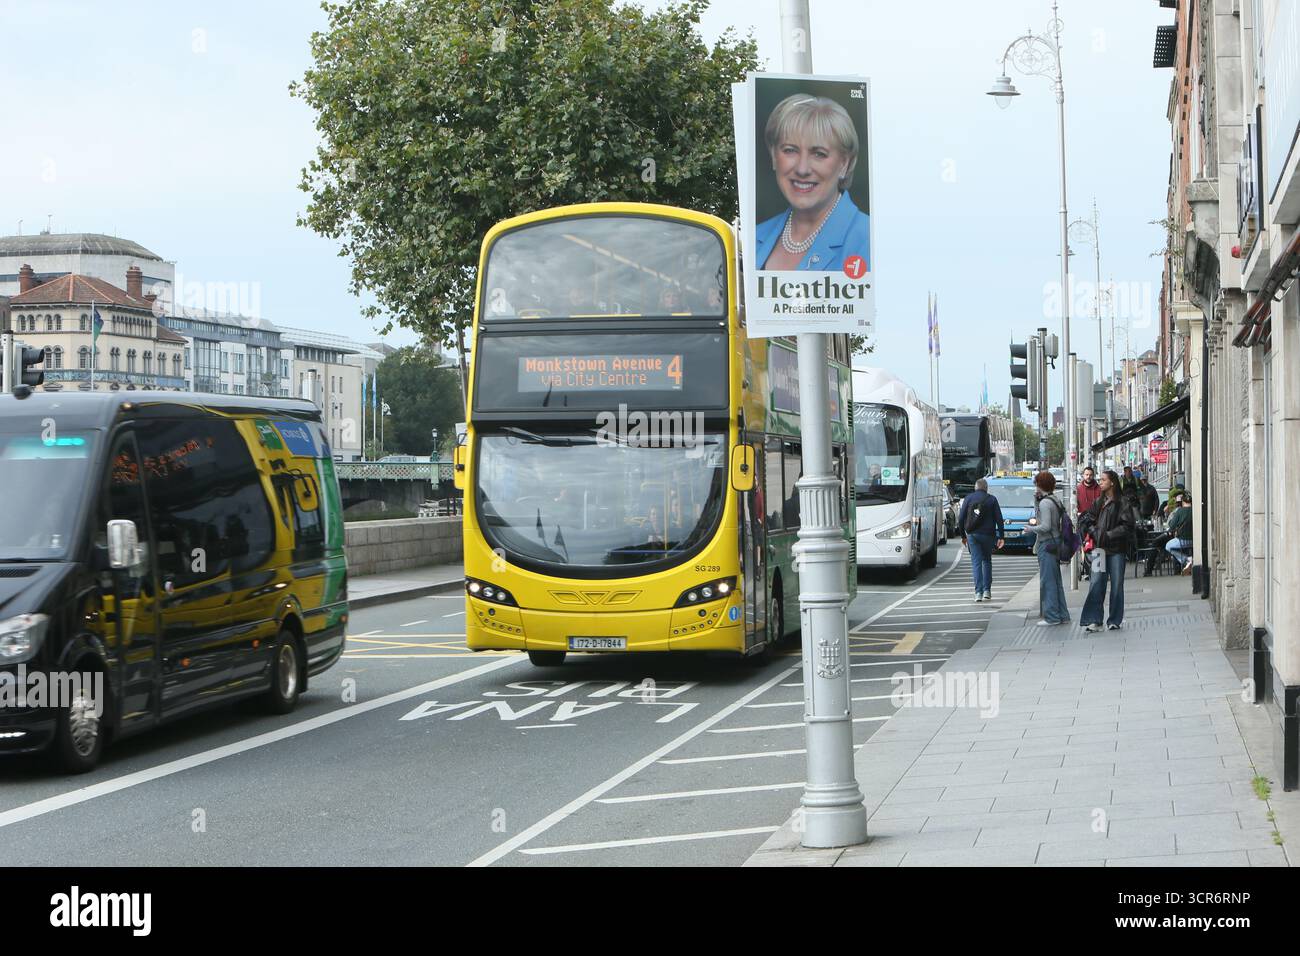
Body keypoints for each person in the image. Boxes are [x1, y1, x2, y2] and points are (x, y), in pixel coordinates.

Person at [754, 94, 871, 272]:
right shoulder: (754, 237)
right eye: (790, 150)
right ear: (774, 156)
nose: (802, 169)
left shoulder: (868, 239)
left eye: (819, 154)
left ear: (844, 163)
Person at [1079, 469, 1136, 631]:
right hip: (1098, 548)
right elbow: (1087, 520)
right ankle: (1094, 619)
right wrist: (1094, 532)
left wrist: (1108, 535)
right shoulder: (1099, 501)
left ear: (1112, 482)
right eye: (1100, 479)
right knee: (1096, 583)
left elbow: (1128, 526)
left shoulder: (1122, 502)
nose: (1100, 482)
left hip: (1116, 549)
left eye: (1103, 480)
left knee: (1117, 585)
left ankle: (1114, 620)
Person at [1026, 471, 1070, 626]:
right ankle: (1062, 614)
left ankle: (1052, 616)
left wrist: (1030, 529)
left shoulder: (1045, 503)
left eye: (1036, 484)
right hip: (1056, 542)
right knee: (1056, 581)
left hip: (1047, 544)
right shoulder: (1054, 499)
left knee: (1048, 581)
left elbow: (1044, 526)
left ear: (1040, 485)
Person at [957, 478, 1005, 603]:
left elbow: (961, 518)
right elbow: (999, 519)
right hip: (988, 535)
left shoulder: (968, 498)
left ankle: (978, 593)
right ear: (986, 488)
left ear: (975, 487)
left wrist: (963, 536)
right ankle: (987, 591)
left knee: (976, 563)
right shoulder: (992, 499)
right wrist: (1001, 536)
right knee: (987, 561)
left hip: (972, 535)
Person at [1165, 493, 1194, 573]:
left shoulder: (1180, 511)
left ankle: (1186, 559)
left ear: (1182, 502)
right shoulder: (1195, 510)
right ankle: (1189, 559)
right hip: (1194, 541)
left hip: (1182, 541)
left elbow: (1172, 525)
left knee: (1168, 546)